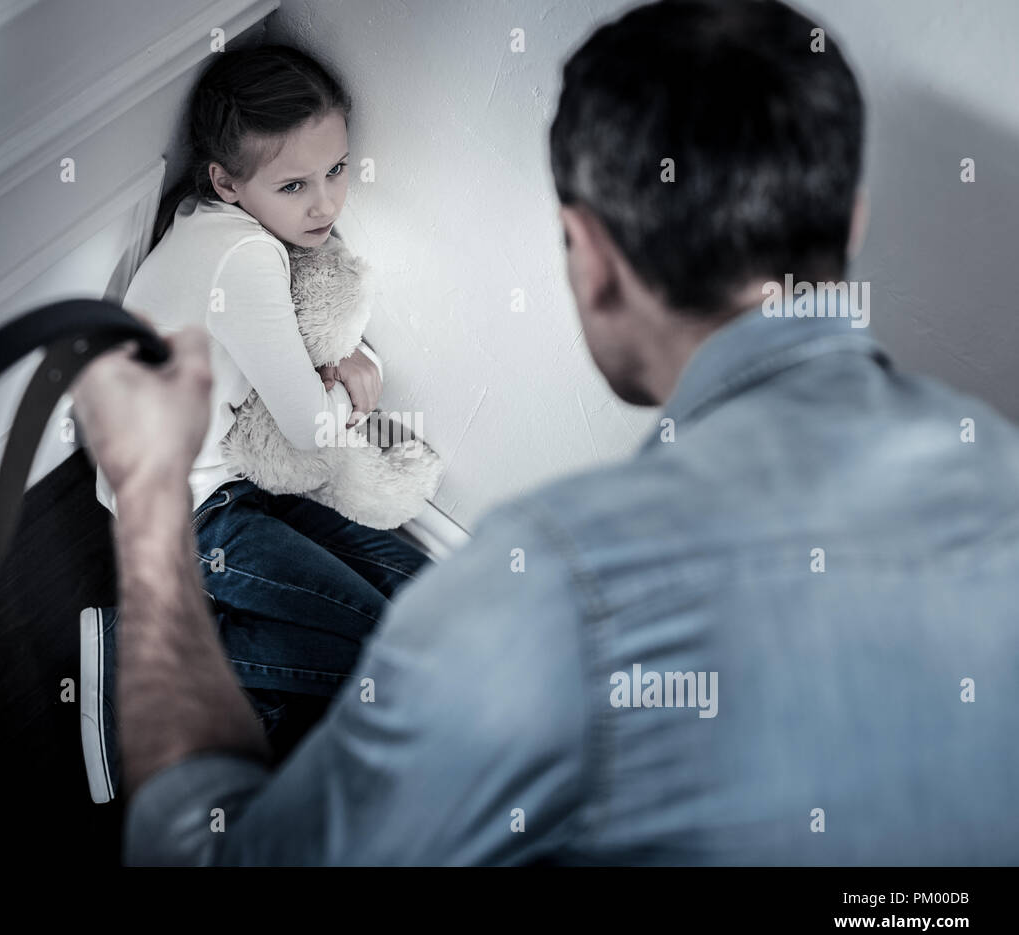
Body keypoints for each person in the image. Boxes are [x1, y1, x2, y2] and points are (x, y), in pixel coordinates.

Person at [72, 0, 1019, 863]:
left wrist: (149, 502)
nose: (325, 200)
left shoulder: (553, 595)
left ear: (588, 258)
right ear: (851, 227)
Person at [77, 47, 433, 802]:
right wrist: (357, 386)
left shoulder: (211, 224)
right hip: (188, 511)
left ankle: (248, 707)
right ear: (226, 182)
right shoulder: (241, 258)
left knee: (420, 587)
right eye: (295, 184)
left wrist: (335, 375)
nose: (325, 205)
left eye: (337, 170)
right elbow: (310, 429)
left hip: (228, 479)